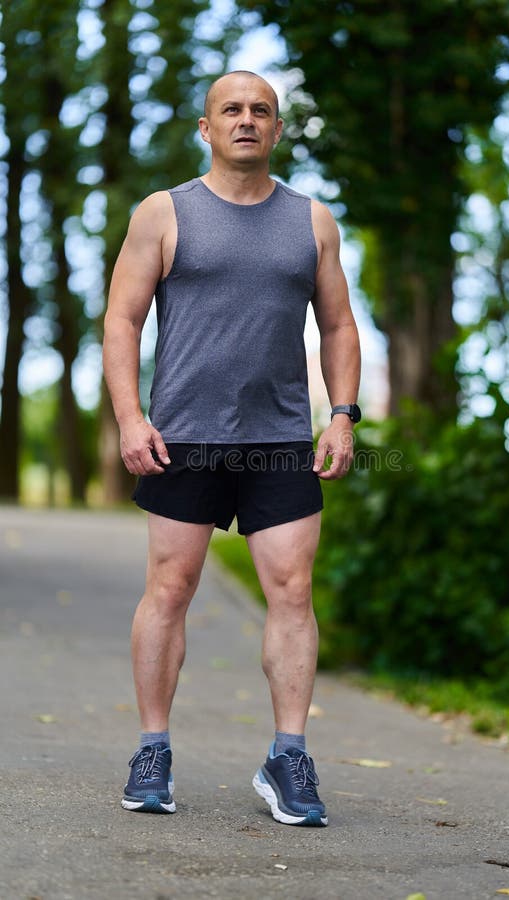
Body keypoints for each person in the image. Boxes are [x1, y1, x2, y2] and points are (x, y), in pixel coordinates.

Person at [102, 70, 361, 827]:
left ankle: (288, 757)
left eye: (261, 110)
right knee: (170, 588)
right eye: (232, 110)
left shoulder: (312, 222)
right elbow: (123, 320)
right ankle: (153, 749)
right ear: (206, 128)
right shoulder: (163, 213)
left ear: (278, 130)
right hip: (181, 434)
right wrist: (129, 417)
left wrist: (342, 415)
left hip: (279, 440)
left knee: (291, 591)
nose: (247, 120)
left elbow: (340, 326)